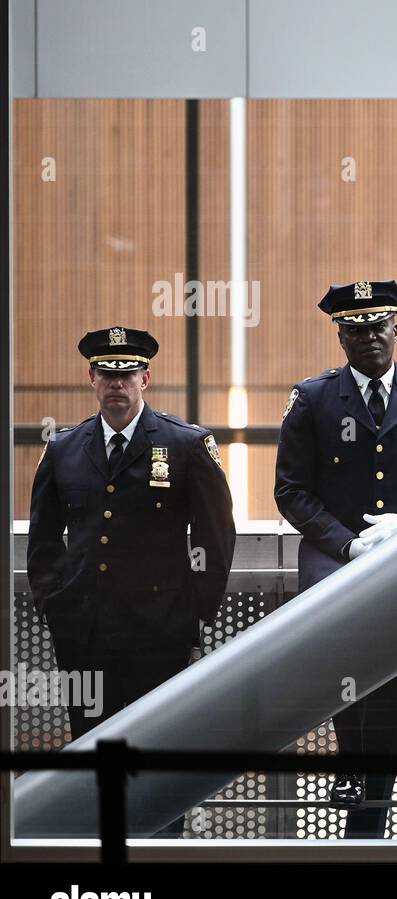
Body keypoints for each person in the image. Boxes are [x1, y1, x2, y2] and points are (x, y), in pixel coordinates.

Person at [275, 280, 397, 838]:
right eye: (356, 330)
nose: (369, 339)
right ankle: (351, 790)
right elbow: (291, 490)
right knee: (341, 675)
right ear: (340, 337)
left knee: (390, 681)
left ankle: (375, 811)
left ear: (396, 329)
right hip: (334, 560)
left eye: (378, 327)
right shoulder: (314, 398)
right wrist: (347, 543)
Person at [28, 326, 236, 835]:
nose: (116, 384)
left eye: (126, 374)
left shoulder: (185, 445)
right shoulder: (65, 448)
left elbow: (216, 533)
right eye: (106, 374)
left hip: (159, 629)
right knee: (91, 744)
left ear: (146, 377)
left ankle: (164, 843)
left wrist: (197, 611)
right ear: (91, 379)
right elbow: (43, 538)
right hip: (85, 630)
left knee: (160, 747)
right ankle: (99, 841)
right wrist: (55, 602)